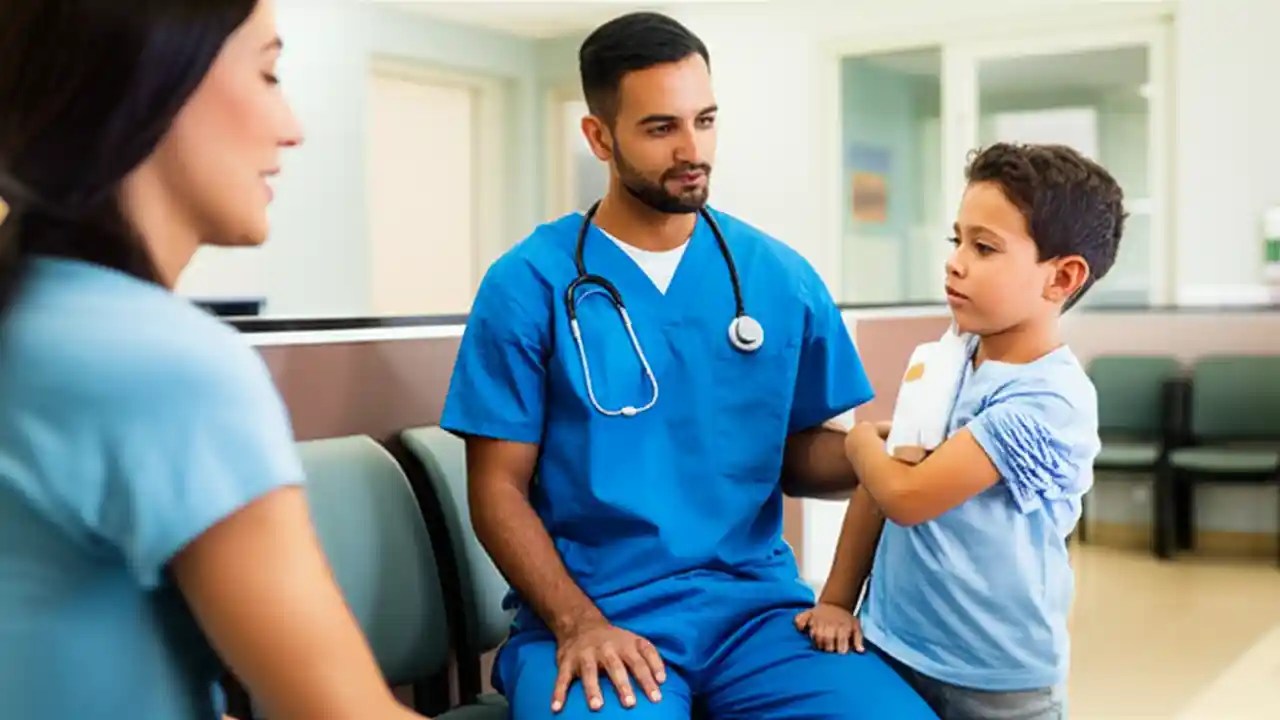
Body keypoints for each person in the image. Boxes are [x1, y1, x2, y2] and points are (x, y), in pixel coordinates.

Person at [441, 11, 936, 720]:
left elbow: (793, 457)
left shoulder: (778, 277)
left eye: (705, 121)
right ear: (599, 137)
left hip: (757, 616)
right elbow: (497, 491)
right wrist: (578, 624)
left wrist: (878, 453)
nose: (692, 148)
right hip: (599, 613)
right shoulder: (528, 285)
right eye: (661, 127)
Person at [0, 2, 427, 719]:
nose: (294, 128)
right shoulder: (162, 363)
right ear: (158, 76)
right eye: (268, 74)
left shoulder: (36, 322)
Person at [798, 142, 1123, 720]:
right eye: (957, 241)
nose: (955, 262)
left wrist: (855, 441)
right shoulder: (951, 358)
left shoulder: (1051, 399)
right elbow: (883, 482)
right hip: (892, 646)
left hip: (997, 681)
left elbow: (904, 495)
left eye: (985, 248)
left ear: (1063, 276)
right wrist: (837, 601)